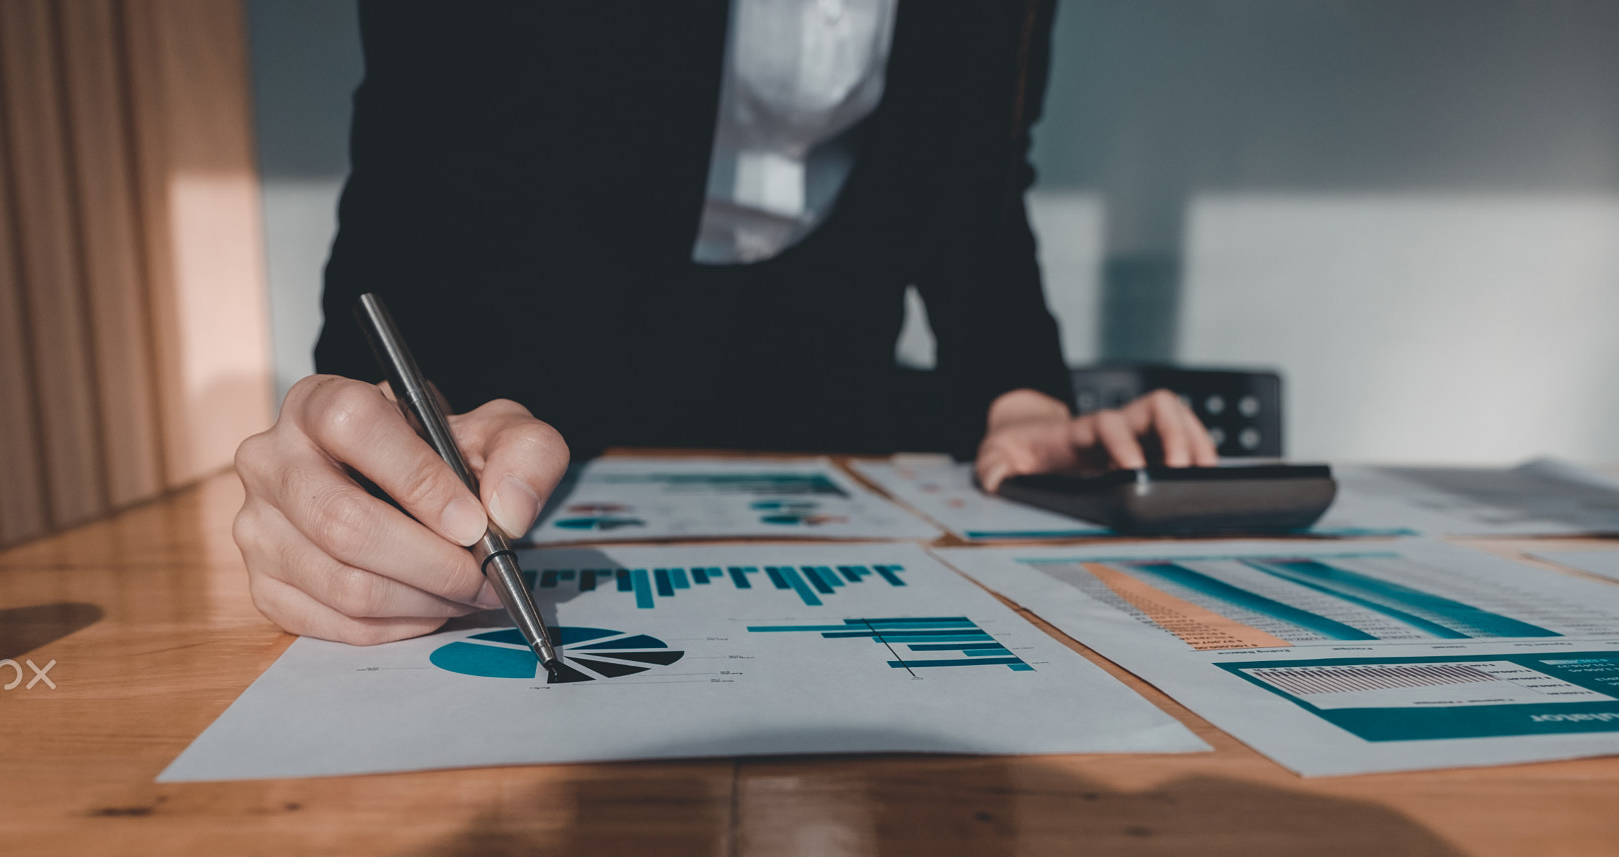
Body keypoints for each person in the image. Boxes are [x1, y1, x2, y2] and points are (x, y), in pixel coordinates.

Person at [233, 1, 1216, 645]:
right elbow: (418, 144)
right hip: (527, 391)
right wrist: (360, 443)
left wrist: (1021, 398)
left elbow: (981, 176)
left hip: (827, 387)